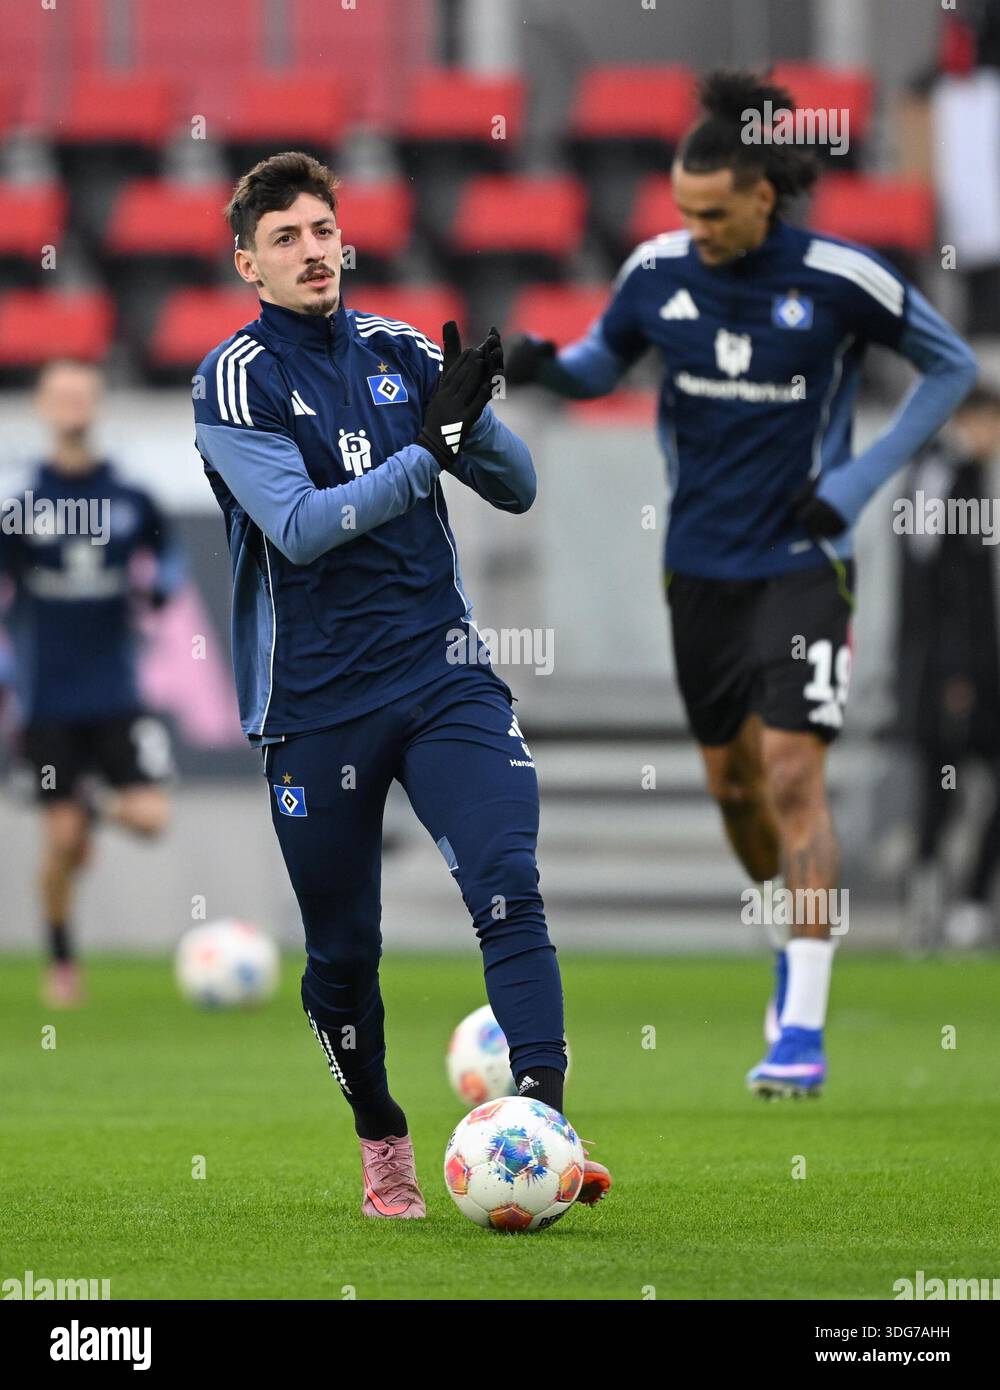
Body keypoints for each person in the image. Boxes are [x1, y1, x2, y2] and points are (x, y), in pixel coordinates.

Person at [504, 71, 979, 1098]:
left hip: (804, 564)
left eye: (713, 214)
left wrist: (852, 483)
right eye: (684, 211)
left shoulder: (844, 278)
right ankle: (787, 929)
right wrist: (538, 362)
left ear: (765, 194)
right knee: (733, 787)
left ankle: (801, 1024)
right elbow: (601, 364)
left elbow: (947, 367)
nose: (696, 230)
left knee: (793, 772)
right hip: (699, 570)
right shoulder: (656, 271)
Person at [192, 151, 610, 1217]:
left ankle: (547, 1129)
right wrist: (429, 452)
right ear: (248, 263)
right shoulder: (232, 380)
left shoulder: (398, 349)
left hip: (441, 673)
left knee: (508, 882)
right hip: (317, 706)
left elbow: (512, 488)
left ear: (348, 241)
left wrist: (473, 422)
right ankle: (382, 1132)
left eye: (323, 230)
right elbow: (298, 529)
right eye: (284, 238)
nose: (311, 250)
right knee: (342, 956)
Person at [0, 359, 182, 1007]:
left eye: (83, 392)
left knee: (152, 817)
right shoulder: (22, 507)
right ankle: (61, 958)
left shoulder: (128, 497)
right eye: (61, 394)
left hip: (115, 695)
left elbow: (168, 556)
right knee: (62, 842)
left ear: (96, 403)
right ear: (44, 408)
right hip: (49, 699)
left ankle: (89, 807)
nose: (73, 403)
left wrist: (162, 584)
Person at [895, 385, 1000, 951]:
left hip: (977, 668)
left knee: (956, 786)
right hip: (945, 673)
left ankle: (967, 900)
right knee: (939, 787)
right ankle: (929, 898)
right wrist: (953, 671)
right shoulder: (936, 476)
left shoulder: (968, 479)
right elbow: (931, 586)